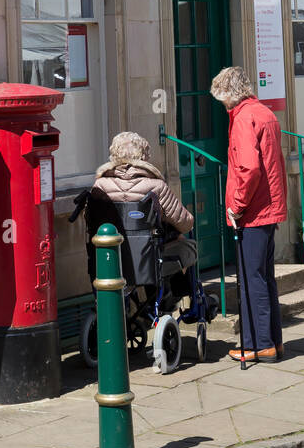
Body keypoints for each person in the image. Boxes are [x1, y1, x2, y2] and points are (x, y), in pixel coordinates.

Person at [211, 65, 288, 363]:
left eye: (222, 98)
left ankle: (259, 345)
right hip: (268, 209)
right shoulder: (265, 112)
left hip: (253, 211)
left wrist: (236, 206)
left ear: (230, 93)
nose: (223, 105)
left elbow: (249, 168)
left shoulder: (243, 118)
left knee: (250, 279)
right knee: (265, 278)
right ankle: (273, 343)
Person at [91, 131, 197, 281]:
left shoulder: (99, 186)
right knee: (187, 245)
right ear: (144, 156)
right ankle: (172, 297)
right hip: (147, 262)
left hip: (110, 258)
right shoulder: (156, 186)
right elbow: (185, 223)